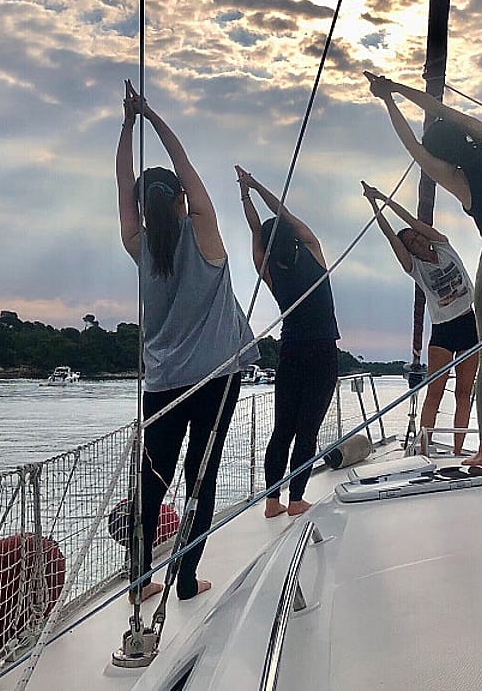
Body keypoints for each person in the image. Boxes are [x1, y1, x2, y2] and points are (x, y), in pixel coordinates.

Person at [365, 71, 482, 467]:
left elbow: (414, 150)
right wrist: (399, 89)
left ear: (443, 155)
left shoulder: (456, 180)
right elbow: (440, 109)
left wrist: (387, 102)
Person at [116, 80, 258, 599]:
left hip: (163, 382)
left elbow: (122, 185)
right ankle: (187, 579)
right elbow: (186, 167)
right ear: (180, 200)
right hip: (217, 377)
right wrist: (150, 117)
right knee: (202, 476)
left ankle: (138, 581)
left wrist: (127, 126)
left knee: (153, 482)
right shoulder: (206, 235)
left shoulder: (140, 250)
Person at [236, 166, 340, 517]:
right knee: (306, 429)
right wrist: (256, 185)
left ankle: (271, 502)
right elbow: (284, 215)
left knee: (283, 429)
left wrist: (244, 194)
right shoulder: (312, 250)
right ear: (292, 237)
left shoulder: (268, 269)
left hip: (292, 350)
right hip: (323, 350)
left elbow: (256, 228)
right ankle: (296, 499)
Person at [361, 180, 478, 456]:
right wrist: (373, 206)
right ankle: (424, 450)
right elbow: (392, 238)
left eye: (416, 237)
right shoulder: (415, 267)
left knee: (464, 393)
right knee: (434, 393)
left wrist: (384, 197)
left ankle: (460, 451)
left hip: (469, 323)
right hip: (443, 330)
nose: (417, 240)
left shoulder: (444, 246)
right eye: (411, 242)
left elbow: (412, 220)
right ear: (410, 251)